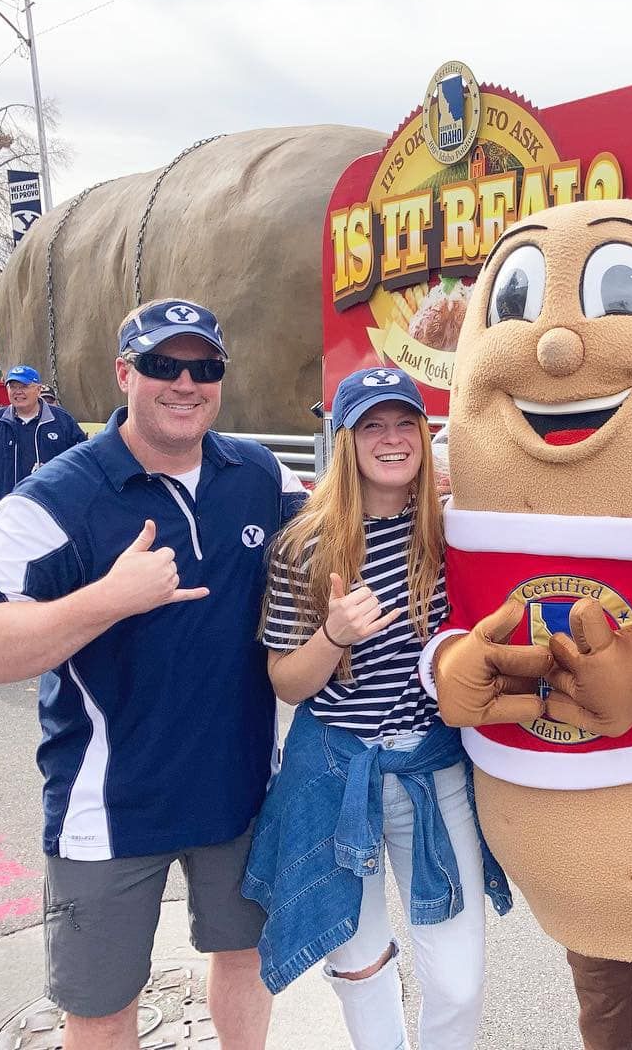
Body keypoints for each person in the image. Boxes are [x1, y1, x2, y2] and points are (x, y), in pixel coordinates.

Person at [0, 299, 305, 1050]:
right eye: (161, 365)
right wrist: (109, 600)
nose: (185, 383)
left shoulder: (258, 473)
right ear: (124, 373)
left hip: (239, 792)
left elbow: (333, 531)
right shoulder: (56, 499)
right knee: (105, 1007)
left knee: (246, 961)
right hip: (109, 808)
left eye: (203, 367)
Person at [243, 367, 508, 1050]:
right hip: (334, 776)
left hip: (435, 771)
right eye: (371, 425)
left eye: (403, 423)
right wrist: (333, 635)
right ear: (346, 439)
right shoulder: (304, 543)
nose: (390, 439)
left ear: (424, 434)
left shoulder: (454, 536)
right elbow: (287, 684)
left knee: (458, 980)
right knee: (359, 967)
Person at [0, 364, 86, 526]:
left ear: (38, 389)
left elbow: (81, 463)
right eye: (13, 386)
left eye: (24, 386)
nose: (18, 392)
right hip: (7, 512)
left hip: (50, 511)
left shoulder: (62, 421)